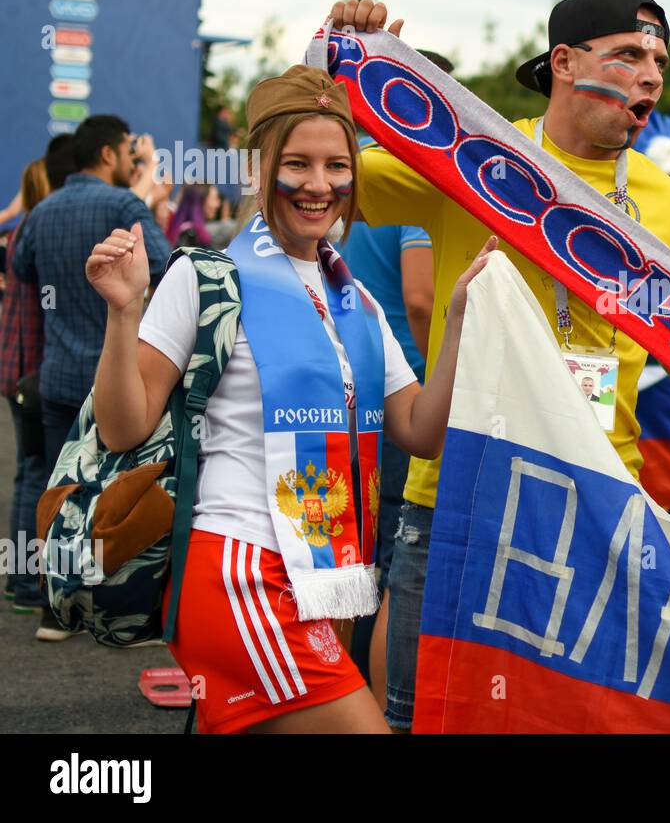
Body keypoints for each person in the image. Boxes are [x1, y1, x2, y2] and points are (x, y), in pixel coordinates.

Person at [329, 0, 670, 731]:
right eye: (629, 55)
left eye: (660, 61)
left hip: (603, 510)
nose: (651, 76)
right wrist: (337, 68)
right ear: (563, 64)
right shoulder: (470, 159)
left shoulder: (667, 202)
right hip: (460, 503)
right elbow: (302, 168)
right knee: (420, 719)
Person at [84, 65, 491, 734]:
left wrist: (458, 323)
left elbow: (420, 429)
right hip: (242, 572)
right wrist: (123, 315)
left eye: (338, 165)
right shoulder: (206, 276)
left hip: (322, 582)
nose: (319, 184)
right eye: (296, 163)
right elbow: (124, 428)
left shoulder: (355, 300)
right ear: (257, 167)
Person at [12, 115, 171, 642]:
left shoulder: (43, 209)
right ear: (108, 154)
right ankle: (111, 605)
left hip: (56, 373)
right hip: (115, 377)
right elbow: (168, 270)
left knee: (59, 492)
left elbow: (24, 272)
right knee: (118, 497)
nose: (131, 160)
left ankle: (51, 606)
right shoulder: (125, 206)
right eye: (128, 150)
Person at [336, 215, 434, 701]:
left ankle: (342, 693)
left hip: (346, 391)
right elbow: (420, 299)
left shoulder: (355, 174)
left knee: (350, 556)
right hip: (404, 393)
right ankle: (376, 709)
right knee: (399, 564)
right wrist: (438, 369)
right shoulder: (413, 179)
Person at [0, 157, 53, 613]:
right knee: (38, 473)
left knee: (27, 472)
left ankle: (20, 579)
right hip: (35, 371)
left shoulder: (20, 231)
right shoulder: (39, 232)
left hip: (15, 369)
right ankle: (28, 580)